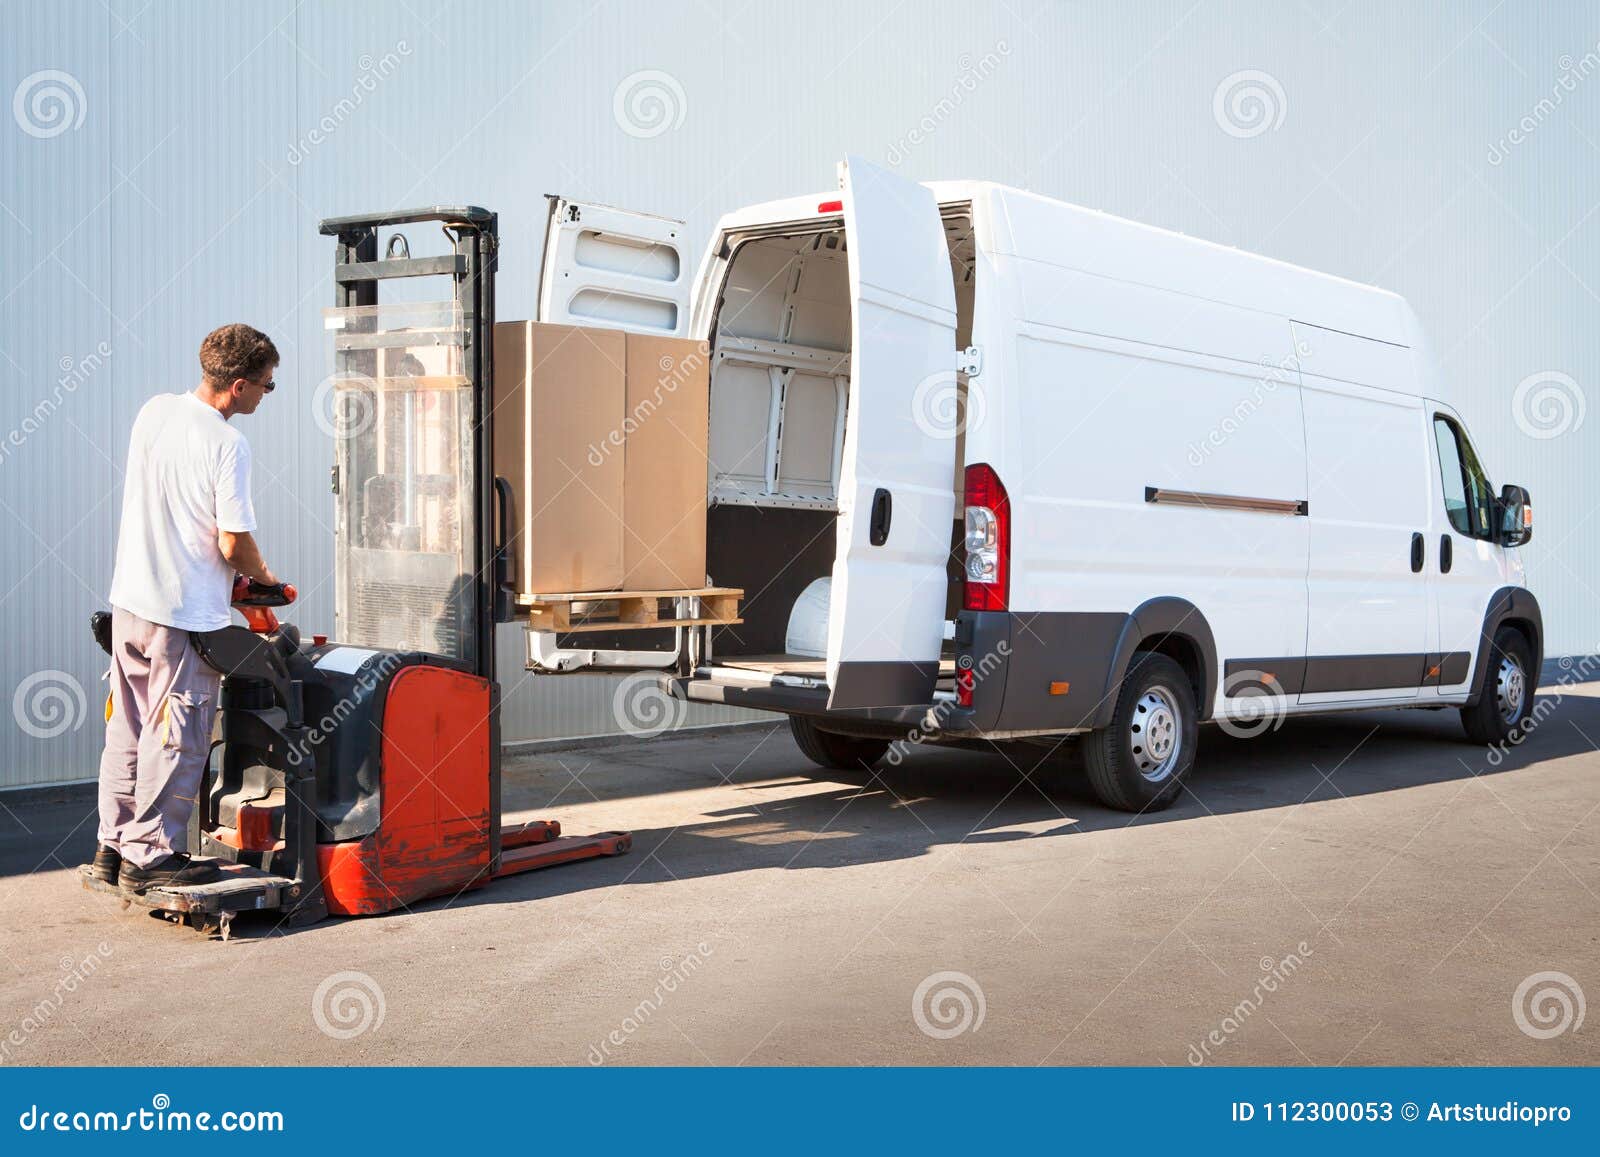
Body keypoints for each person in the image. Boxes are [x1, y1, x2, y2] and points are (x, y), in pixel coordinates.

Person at [95, 324, 284, 893]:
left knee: (128, 729)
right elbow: (232, 541)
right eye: (266, 387)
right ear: (238, 385)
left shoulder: (154, 411)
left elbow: (176, 511)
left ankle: (113, 845)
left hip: (130, 603)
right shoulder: (228, 444)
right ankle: (151, 855)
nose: (265, 396)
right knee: (178, 735)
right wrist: (265, 580)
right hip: (180, 617)